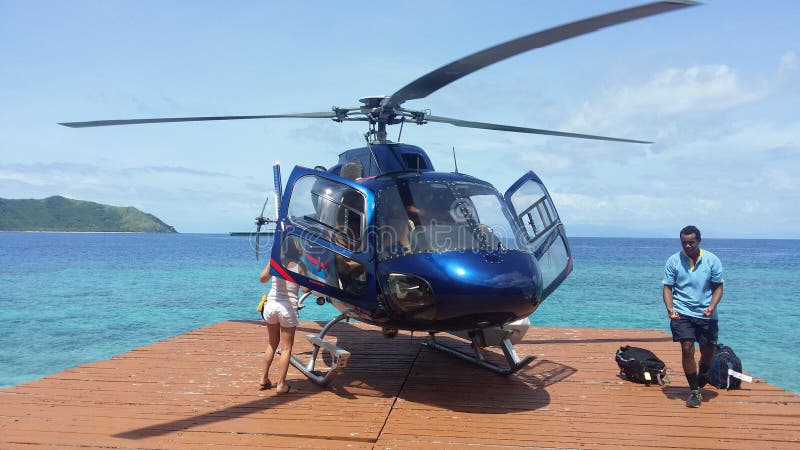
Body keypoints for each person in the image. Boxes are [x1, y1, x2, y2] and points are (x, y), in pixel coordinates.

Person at [662, 225, 724, 408]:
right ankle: (695, 391)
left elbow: (718, 287)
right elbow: (667, 287)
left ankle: (703, 372)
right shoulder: (673, 261)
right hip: (682, 312)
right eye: (684, 243)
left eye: (691, 242)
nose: (687, 246)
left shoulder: (712, 260)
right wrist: (670, 308)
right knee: (687, 347)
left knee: (708, 351)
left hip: (706, 314)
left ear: (699, 241)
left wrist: (712, 307)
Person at [258, 259, 309, 394]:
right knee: (286, 348)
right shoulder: (300, 265)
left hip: (271, 305)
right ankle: (281, 385)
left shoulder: (275, 260)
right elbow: (305, 289)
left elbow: (262, 279)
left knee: (272, 343)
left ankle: (264, 378)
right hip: (288, 307)